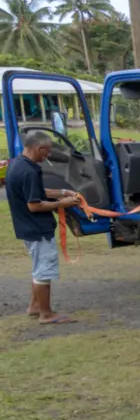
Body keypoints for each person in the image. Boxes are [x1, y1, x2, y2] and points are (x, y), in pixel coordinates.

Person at [6, 131, 82, 324]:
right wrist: (63, 204)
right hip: (37, 229)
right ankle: (46, 314)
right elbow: (35, 204)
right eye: (47, 152)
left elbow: (36, 191)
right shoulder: (29, 171)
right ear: (38, 149)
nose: (48, 156)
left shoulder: (17, 164)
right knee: (44, 271)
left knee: (38, 268)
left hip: (26, 228)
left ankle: (35, 306)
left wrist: (63, 192)